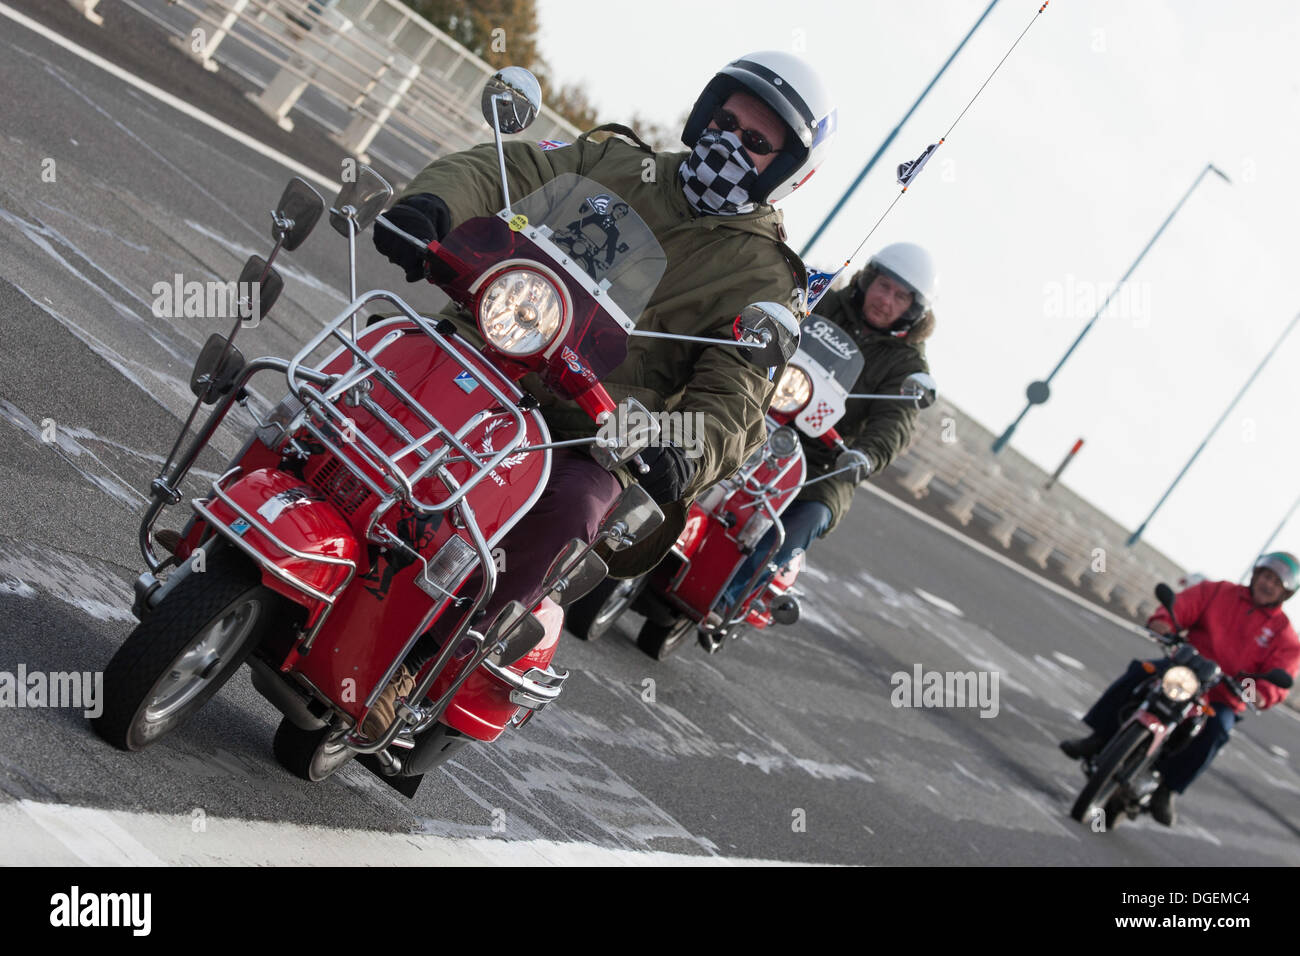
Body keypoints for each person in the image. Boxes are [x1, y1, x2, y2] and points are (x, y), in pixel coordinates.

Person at [363, 52, 837, 735]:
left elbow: (737, 396)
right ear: (704, 114)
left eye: (756, 143)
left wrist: (685, 449)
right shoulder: (617, 161)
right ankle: (236, 502)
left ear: (785, 169)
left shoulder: (764, 277)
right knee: (379, 351)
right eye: (725, 122)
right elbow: (517, 168)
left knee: (575, 507)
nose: (730, 143)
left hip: (587, 429)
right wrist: (433, 205)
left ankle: (419, 664)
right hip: (487, 347)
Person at [719, 242, 937, 612]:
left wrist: (865, 455)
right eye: (884, 285)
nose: (886, 300)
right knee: (701, 424)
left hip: (825, 457)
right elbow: (779, 316)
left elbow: (895, 423)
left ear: (913, 310)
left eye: (900, 297)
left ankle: (729, 598)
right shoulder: (825, 301)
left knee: (813, 513)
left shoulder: (906, 364)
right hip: (764, 411)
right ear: (868, 280)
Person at [1060, 552, 1300, 826]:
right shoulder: (1218, 591)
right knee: (1140, 672)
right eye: (1266, 576)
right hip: (1184, 670)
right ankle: (1099, 737)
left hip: (1223, 694)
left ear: (1286, 593)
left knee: (1218, 729)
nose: (1268, 584)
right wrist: (1165, 623)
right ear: (1256, 574)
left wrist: (1257, 692)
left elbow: (1277, 680)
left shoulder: (1285, 636)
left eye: (1276, 583)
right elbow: (1182, 607)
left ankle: (1168, 789)